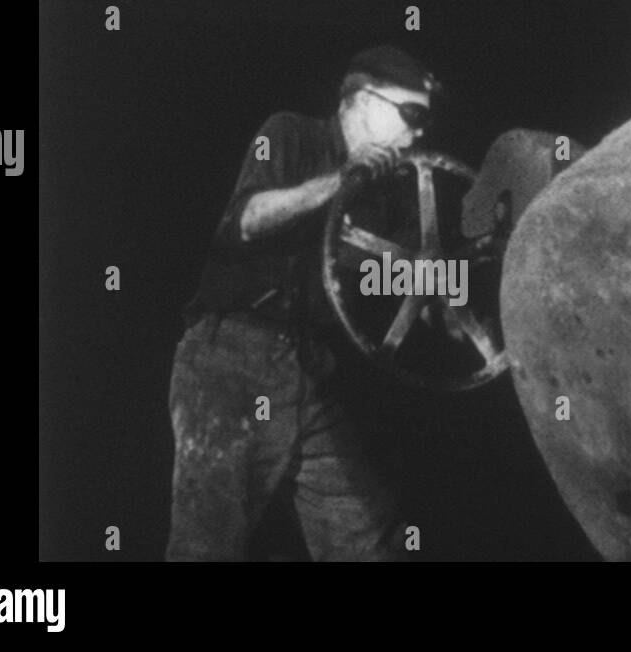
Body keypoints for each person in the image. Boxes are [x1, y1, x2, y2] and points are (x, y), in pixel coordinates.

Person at [166, 45, 440, 561]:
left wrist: (456, 288)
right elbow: (245, 221)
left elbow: (406, 285)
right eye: (411, 114)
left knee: (369, 538)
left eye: (424, 120)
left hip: (311, 371)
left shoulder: (396, 192)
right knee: (207, 543)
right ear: (359, 100)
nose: (420, 133)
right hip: (228, 360)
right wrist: (342, 180)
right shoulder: (290, 134)